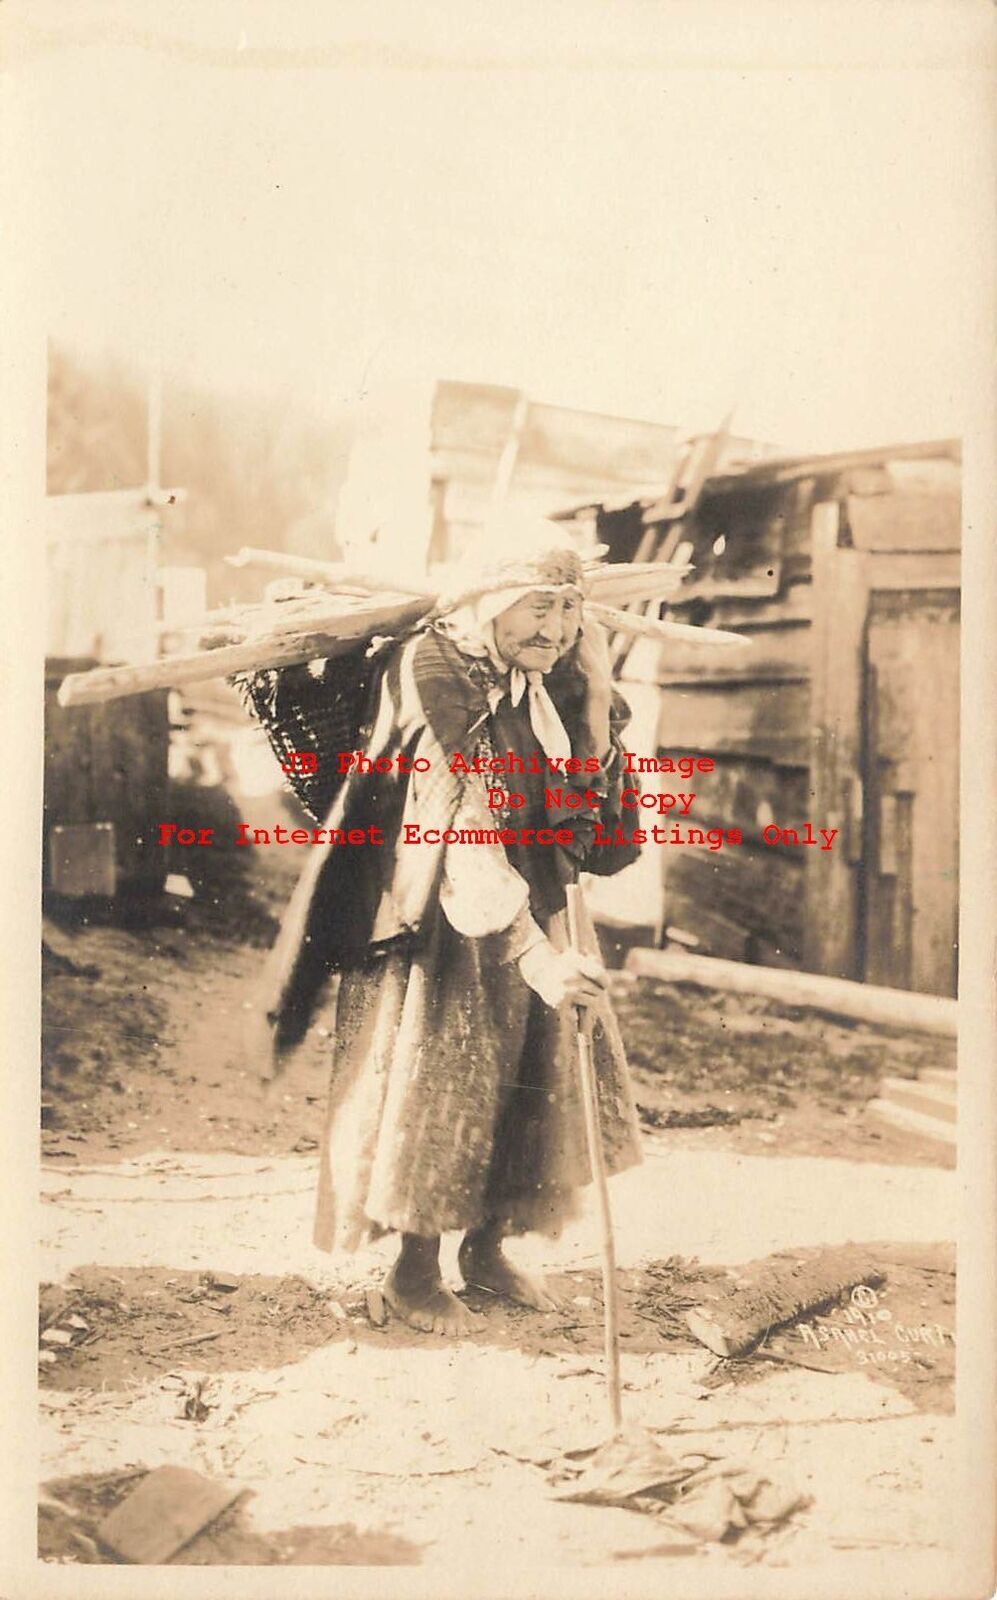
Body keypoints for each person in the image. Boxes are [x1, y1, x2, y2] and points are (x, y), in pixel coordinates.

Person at [253, 526, 643, 1335]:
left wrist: (599, 698)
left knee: (536, 1070)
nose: (555, 632)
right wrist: (535, 955)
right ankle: (413, 1272)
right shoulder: (433, 669)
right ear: (487, 603)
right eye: (538, 610)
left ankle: (488, 1250)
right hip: (437, 909)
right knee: (446, 1080)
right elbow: (459, 825)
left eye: (569, 616)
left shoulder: (552, 674)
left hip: (531, 892)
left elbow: (591, 821)